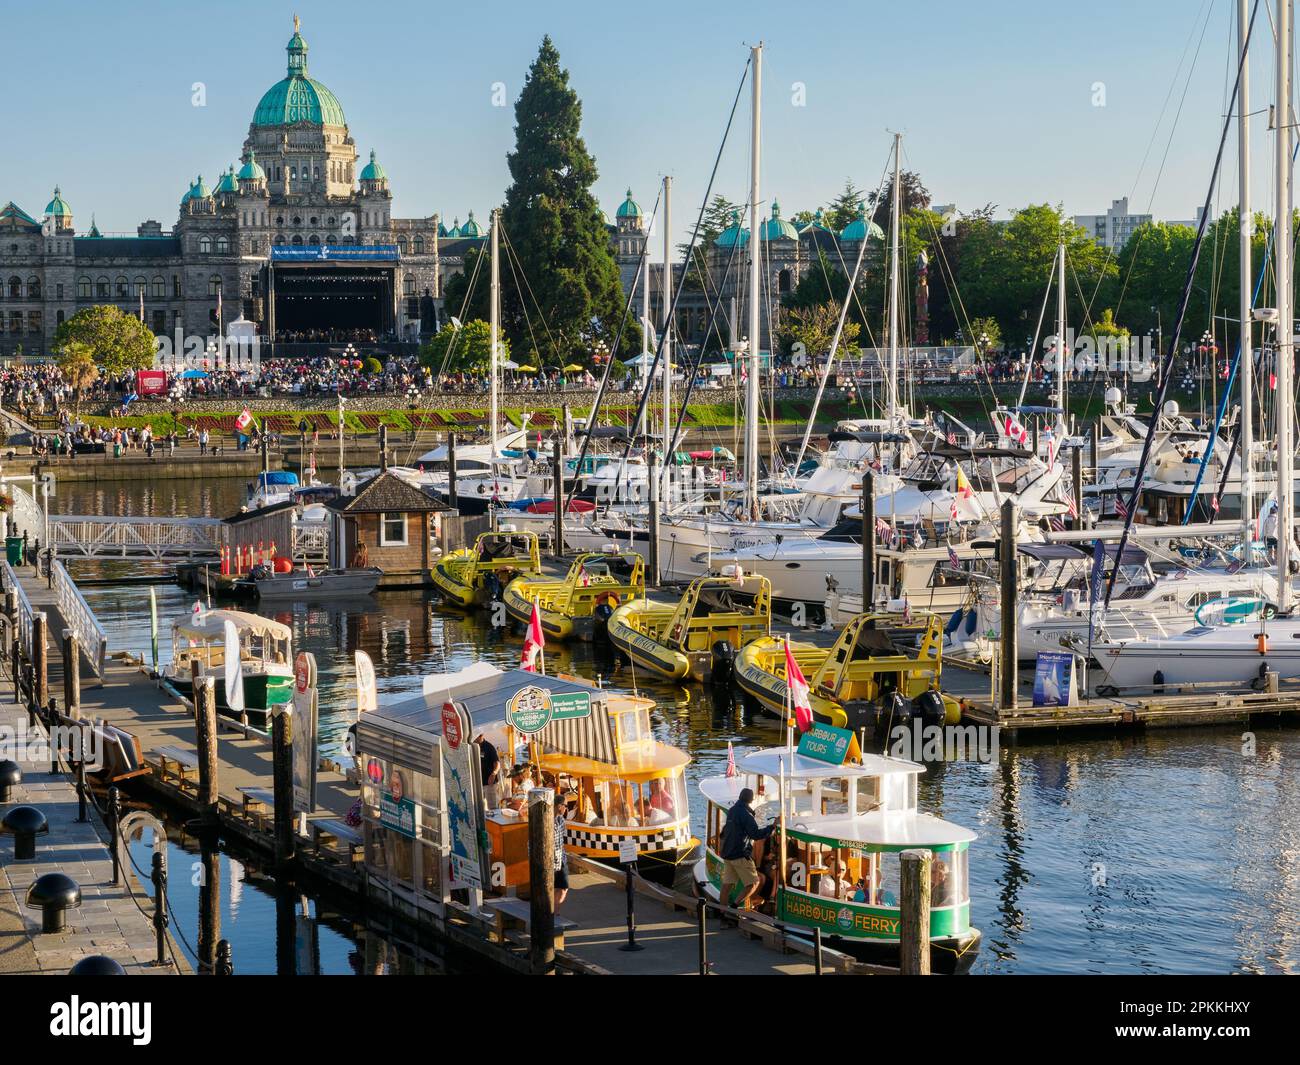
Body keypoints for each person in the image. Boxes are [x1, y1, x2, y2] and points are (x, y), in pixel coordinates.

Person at [718, 787, 775, 910]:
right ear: (751, 800)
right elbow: (756, 835)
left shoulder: (732, 810)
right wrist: (772, 827)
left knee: (726, 886)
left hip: (727, 854)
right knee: (753, 883)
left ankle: (722, 911)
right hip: (740, 855)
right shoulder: (746, 815)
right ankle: (734, 907)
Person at [477, 734, 501, 810]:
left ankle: (495, 821)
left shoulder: (489, 747)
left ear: (480, 736)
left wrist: (493, 774)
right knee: (480, 807)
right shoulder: (473, 745)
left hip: (489, 782)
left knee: (492, 806)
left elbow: (497, 763)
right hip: (478, 783)